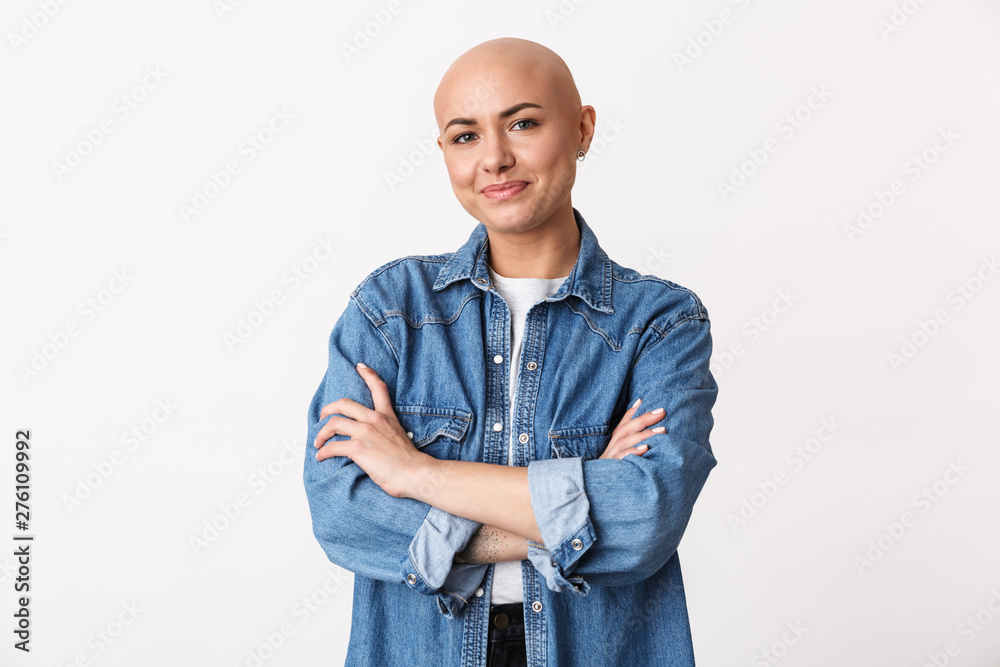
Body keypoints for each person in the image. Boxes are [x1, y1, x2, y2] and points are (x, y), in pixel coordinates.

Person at [303, 37, 719, 667]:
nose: (495, 159)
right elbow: (343, 514)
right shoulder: (390, 309)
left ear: (582, 129)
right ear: (443, 152)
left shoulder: (659, 322)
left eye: (523, 123)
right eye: (465, 136)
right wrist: (566, 518)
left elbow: (643, 522)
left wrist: (419, 474)